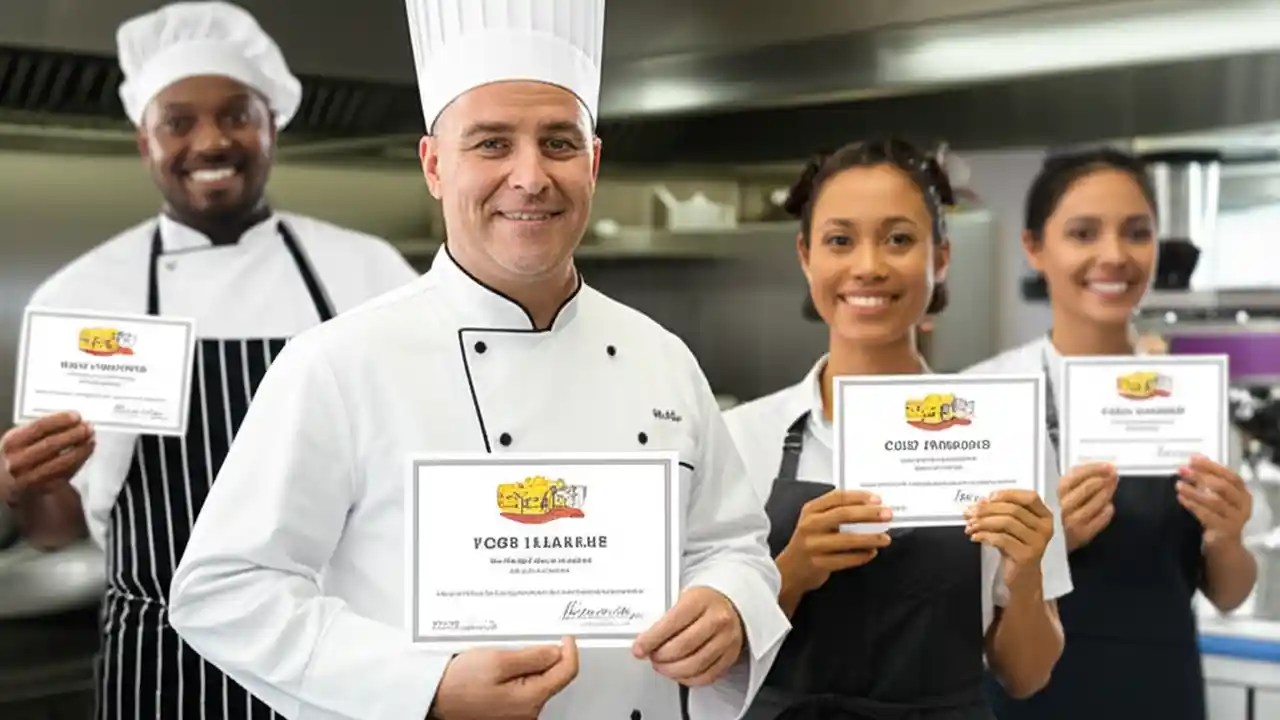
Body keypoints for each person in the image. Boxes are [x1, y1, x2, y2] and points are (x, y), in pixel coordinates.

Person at [166, 1, 789, 718]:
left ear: (593, 162)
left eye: (558, 143)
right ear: (434, 165)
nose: (530, 177)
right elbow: (226, 587)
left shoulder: (663, 357)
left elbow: (731, 544)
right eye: (492, 144)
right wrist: (424, 688)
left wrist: (729, 604)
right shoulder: (337, 365)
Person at [0, 2, 419, 718]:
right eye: (178, 121)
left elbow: (423, 461)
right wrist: (22, 482)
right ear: (145, 141)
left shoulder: (367, 274)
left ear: (271, 125)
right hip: (164, 659)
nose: (211, 140)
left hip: (338, 646)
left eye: (236, 114)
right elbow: (54, 527)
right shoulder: (83, 296)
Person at [724, 138, 1073, 719]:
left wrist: (1027, 573)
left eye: (899, 239)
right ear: (806, 255)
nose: (869, 266)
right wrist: (789, 573)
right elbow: (705, 665)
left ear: (940, 259)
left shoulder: (1005, 435)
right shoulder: (740, 439)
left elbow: (1026, 675)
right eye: (840, 240)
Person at [969, 148, 1258, 719]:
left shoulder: (1189, 397)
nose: (1115, 255)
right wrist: (1050, 546)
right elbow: (955, 594)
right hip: (1029, 696)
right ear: (1034, 247)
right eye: (1083, 233)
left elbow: (1230, 592)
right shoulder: (986, 394)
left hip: (1161, 692)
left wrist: (1227, 536)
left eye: (1137, 232)